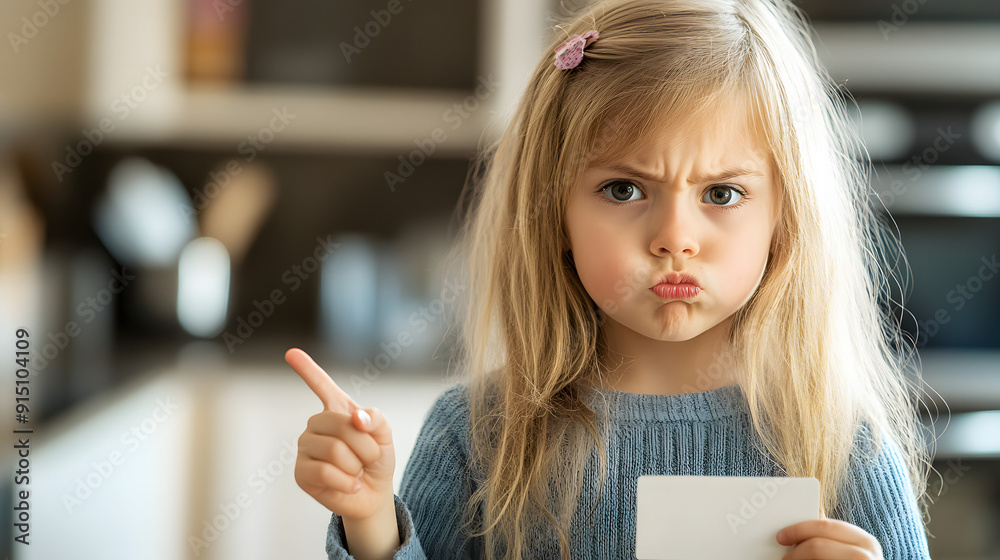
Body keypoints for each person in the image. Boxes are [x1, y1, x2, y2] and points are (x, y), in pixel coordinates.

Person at [287, 0, 939, 558]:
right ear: (552, 213)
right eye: (624, 188)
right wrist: (370, 517)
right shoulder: (477, 435)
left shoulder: (839, 440)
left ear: (786, 218)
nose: (674, 237)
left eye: (722, 193)